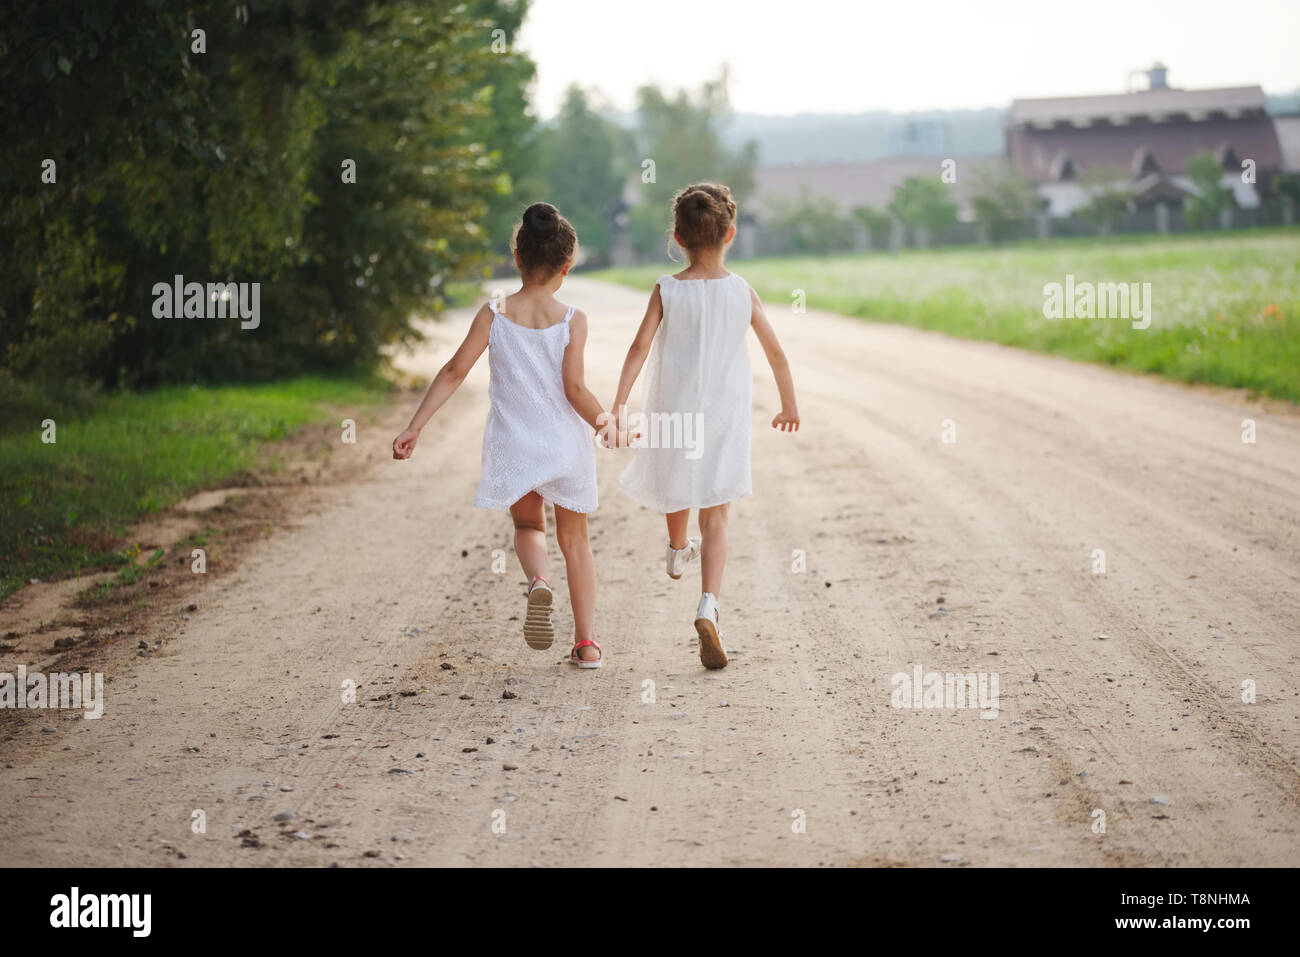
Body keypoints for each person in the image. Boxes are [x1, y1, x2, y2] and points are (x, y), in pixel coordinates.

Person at [393, 202, 607, 668]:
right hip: (565, 446)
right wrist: (604, 422)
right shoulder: (573, 319)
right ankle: (586, 644)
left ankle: (538, 582)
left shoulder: (493, 314)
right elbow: (575, 389)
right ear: (567, 266)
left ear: (517, 257)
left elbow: (454, 371)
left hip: (515, 444)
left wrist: (415, 426)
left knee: (529, 527)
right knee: (576, 541)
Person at [612, 183, 800, 670]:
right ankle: (709, 604)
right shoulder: (741, 291)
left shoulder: (667, 289)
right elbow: (775, 352)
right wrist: (789, 404)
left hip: (675, 409)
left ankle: (677, 550)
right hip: (724, 413)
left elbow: (638, 348)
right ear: (730, 234)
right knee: (716, 515)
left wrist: (618, 405)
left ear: (677, 238)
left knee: (677, 486)